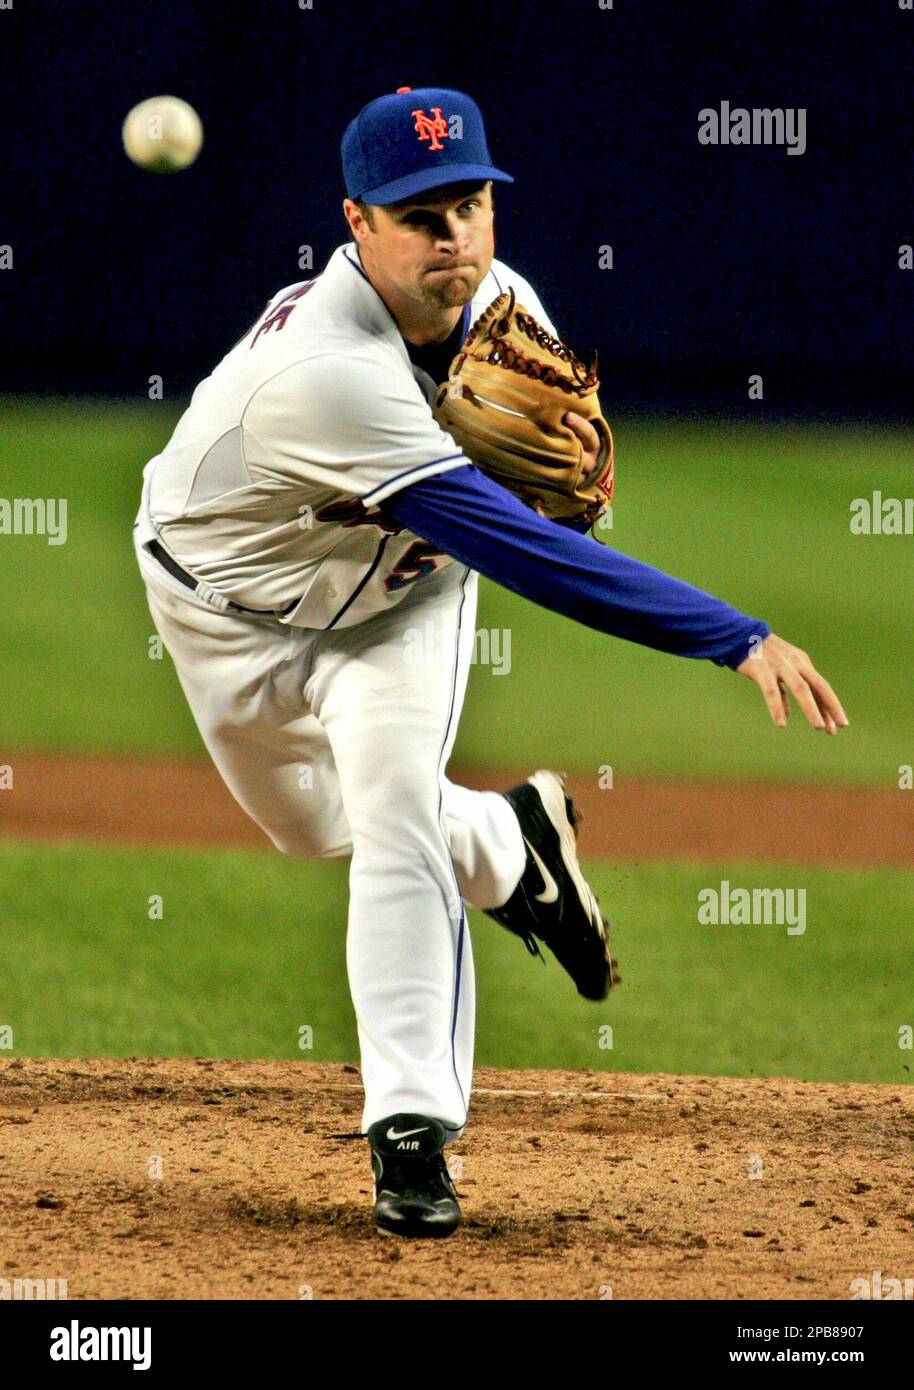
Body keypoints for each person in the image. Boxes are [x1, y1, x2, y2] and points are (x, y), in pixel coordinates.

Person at [133, 86, 848, 1239]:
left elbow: (555, 508)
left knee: (392, 809)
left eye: (469, 204)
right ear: (357, 224)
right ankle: (513, 845)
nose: (453, 235)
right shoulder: (328, 368)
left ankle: (408, 1131)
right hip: (225, 613)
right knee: (309, 827)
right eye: (421, 215)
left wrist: (574, 495)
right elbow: (529, 552)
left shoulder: (508, 308)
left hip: (398, 607)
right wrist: (732, 631)